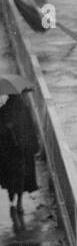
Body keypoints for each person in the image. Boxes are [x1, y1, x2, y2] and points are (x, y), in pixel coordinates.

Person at [0, 90, 39, 228]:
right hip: (23, 152)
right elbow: (31, 129)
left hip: (9, 154)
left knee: (11, 179)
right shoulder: (24, 110)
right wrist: (34, 146)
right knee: (21, 177)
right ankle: (19, 203)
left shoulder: (4, 110)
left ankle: (12, 202)